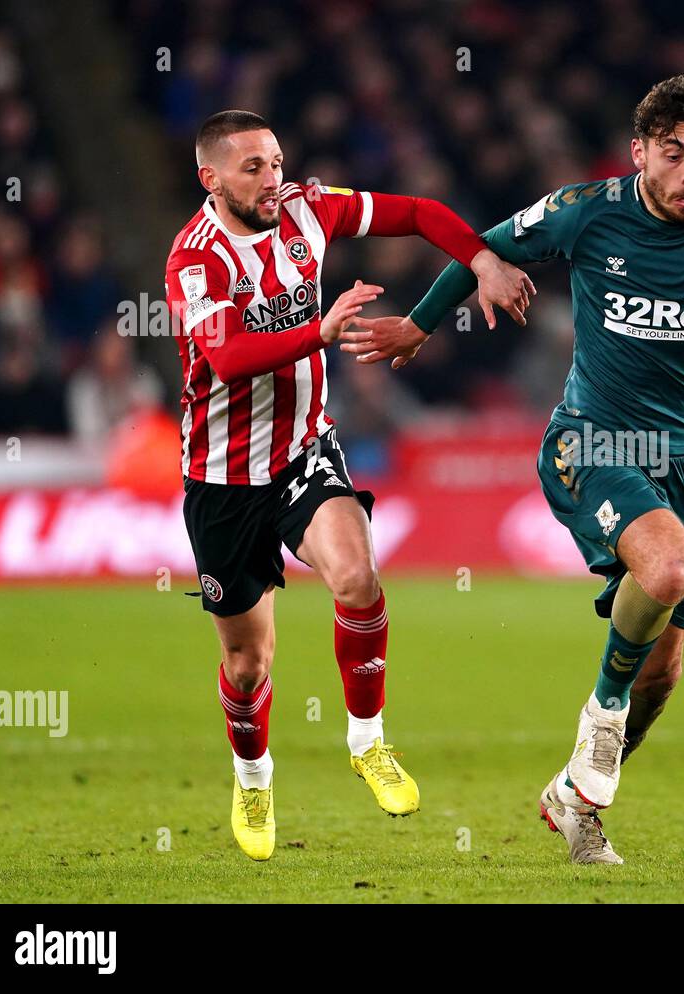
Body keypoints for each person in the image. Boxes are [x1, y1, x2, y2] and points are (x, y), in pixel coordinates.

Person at [340, 75, 684, 863]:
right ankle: (599, 727)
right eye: (674, 155)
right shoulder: (587, 211)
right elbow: (481, 245)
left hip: (682, 466)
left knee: (665, 668)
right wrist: (421, 325)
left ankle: (574, 795)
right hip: (590, 443)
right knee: (668, 569)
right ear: (640, 154)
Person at [164, 110, 534, 860]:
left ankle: (368, 740)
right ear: (212, 179)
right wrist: (320, 333)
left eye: (275, 161)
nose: (272, 180)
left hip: (305, 451)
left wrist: (483, 261)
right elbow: (229, 357)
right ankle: (254, 777)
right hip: (223, 479)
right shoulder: (194, 260)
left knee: (359, 578)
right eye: (253, 169)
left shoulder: (307, 205)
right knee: (248, 662)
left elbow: (420, 213)